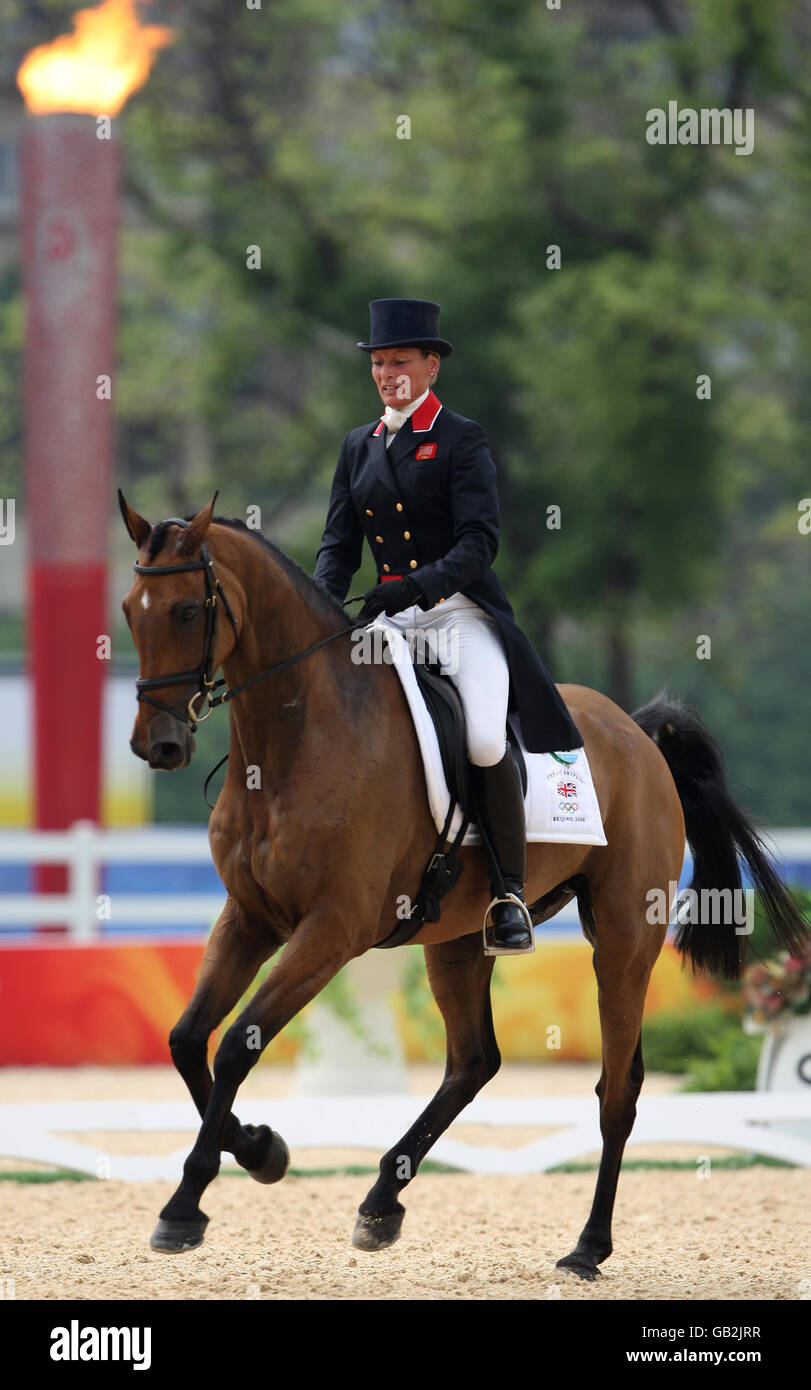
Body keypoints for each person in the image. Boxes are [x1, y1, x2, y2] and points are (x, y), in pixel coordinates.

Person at [313, 298, 583, 952]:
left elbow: (477, 543)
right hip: (384, 624)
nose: (386, 373)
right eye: (378, 363)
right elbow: (337, 547)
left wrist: (413, 586)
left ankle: (509, 895)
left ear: (430, 365)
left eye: (399, 360)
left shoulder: (461, 439)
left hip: (458, 616)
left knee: (485, 740)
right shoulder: (357, 447)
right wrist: (319, 611)